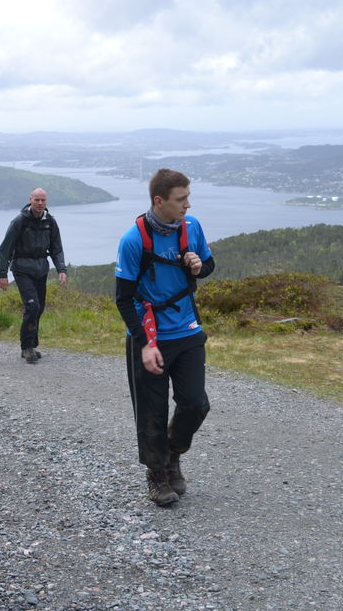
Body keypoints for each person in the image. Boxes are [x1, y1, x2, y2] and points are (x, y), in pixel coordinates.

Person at [114, 168, 215, 507]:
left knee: (195, 403)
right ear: (159, 201)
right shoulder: (133, 240)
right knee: (152, 411)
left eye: (188, 197)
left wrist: (199, 265)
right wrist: (144, 344)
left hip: (187, 329)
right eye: (181, 199)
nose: (188, 204)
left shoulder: (192, 227)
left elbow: (210, 266)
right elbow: (123, 299)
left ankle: (173, 453)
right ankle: (156, 475)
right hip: (150, 335)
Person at [0, 187, 68, 363]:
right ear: (30, 200)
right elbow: (5, 249)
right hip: (21, 269)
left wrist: (61, 270)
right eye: (37, 200)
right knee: (32, 306)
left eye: (43, 200)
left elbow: (56, 248)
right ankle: (26, 347)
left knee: (39, 308)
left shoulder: (50, 222)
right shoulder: (19, 221)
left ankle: (32, 344)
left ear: (46, 201)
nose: (40, 203)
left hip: (41, 269)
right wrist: (2, 274)